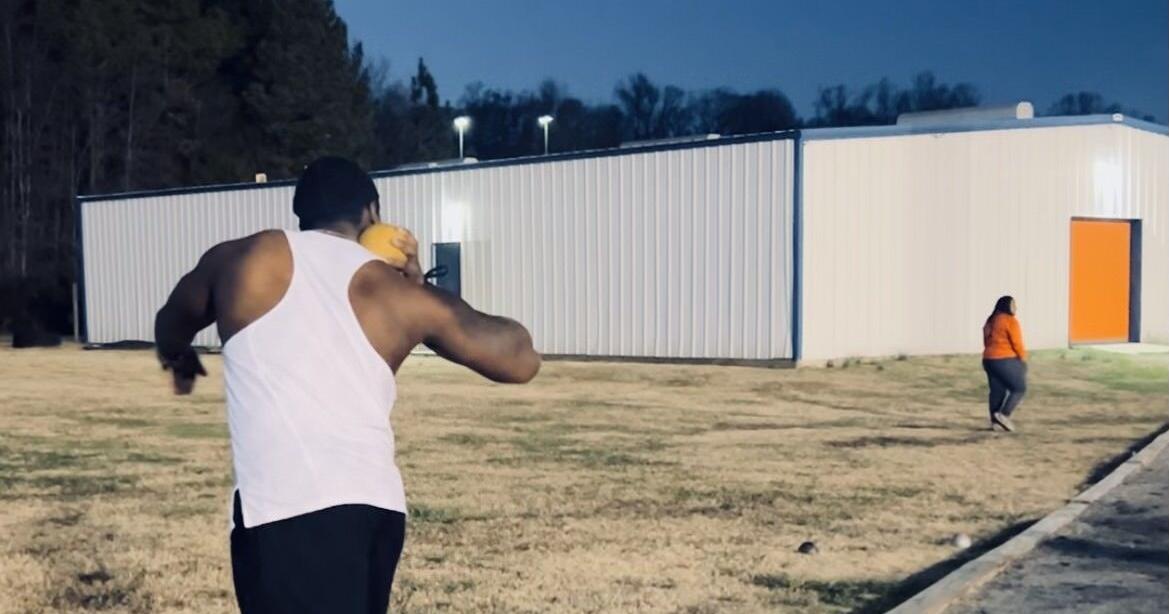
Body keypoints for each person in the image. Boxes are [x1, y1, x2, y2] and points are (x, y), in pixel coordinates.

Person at [153, 156, 540, 613]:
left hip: (285, 510)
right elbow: (520, 359)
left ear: (300, 213)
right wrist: (420, 287)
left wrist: (178, 357)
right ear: (372, 214)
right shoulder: (395, 292)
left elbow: (172, 320)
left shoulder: (245, 258)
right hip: (376, 512)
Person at [982, 295, 1027, 432]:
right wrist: (1022, 358)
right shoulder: (1009, 320)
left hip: (988, 359)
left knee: (997, 391)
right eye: (1013, 305)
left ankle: (995, 422)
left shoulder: (990, 320)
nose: (1015, 308)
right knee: (1019, 388)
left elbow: (985, 340)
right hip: (1004, 358)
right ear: (1006, 306)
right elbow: (1017, 342)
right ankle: (1004, 415)